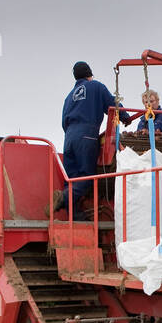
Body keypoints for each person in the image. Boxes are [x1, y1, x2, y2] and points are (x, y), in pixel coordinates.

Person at [55, 61, 127, 213]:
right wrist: (126, 117)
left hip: (68, 137)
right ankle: (64, 198)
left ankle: (74, 217)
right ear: (90, 74)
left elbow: (63, 122)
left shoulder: (69, 97)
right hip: (86, 134)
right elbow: (113, 105)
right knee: (87, 177)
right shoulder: (95, 86)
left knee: (71, 179)